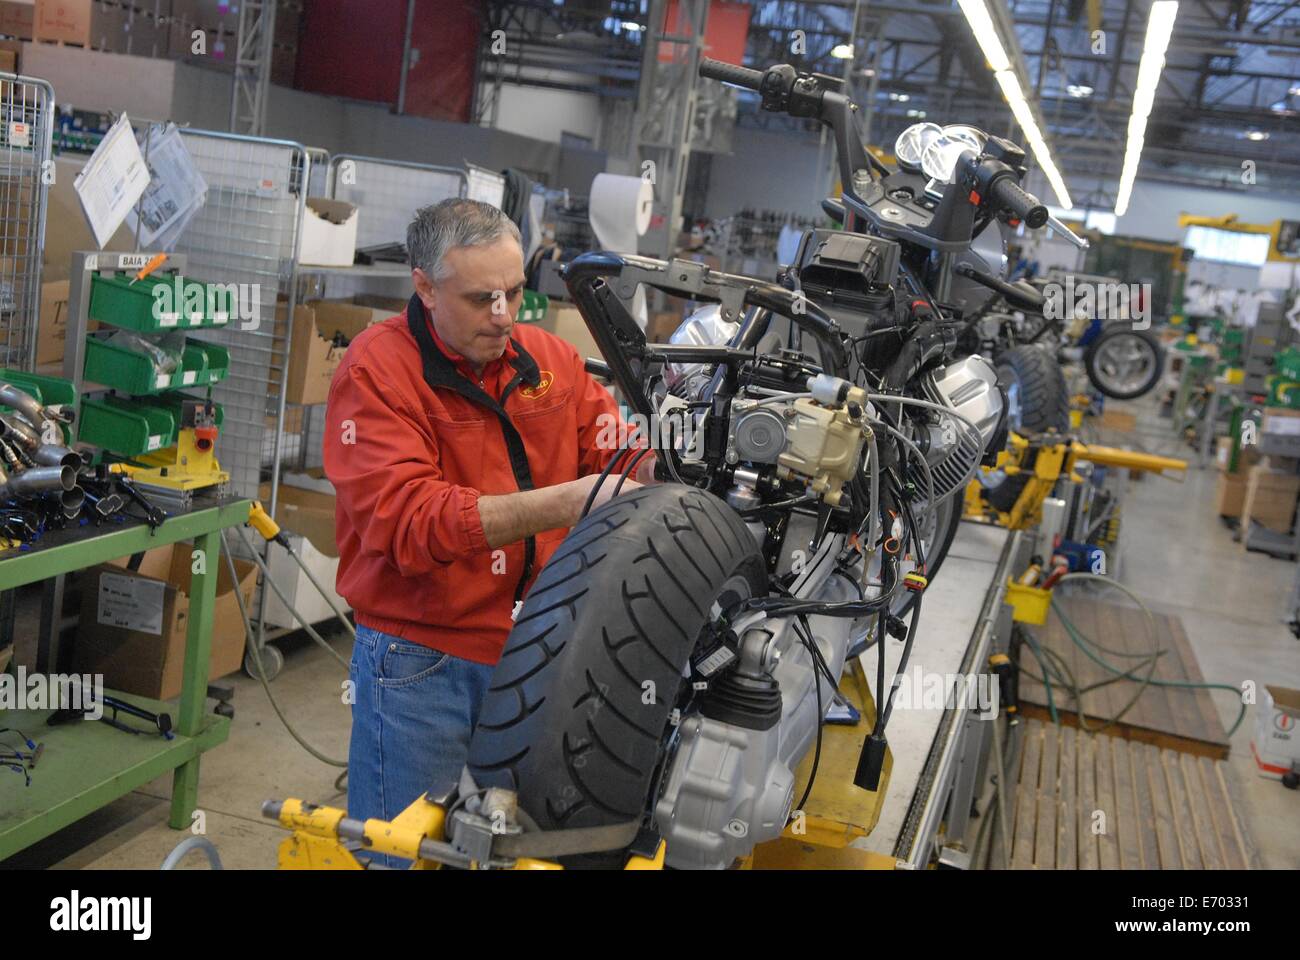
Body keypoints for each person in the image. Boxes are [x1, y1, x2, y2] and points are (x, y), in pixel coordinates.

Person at [323, 198, 652, 837]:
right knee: (407, 850)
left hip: (541, 651)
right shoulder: (376, 371)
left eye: (515, 292)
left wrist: (671, 461)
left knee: (518, 845)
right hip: (424, 661)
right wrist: (566, 502)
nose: (504, 316)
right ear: (423, 287)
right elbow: (408, 523)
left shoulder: (548, 362)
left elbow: (618, 448)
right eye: (480, 299)